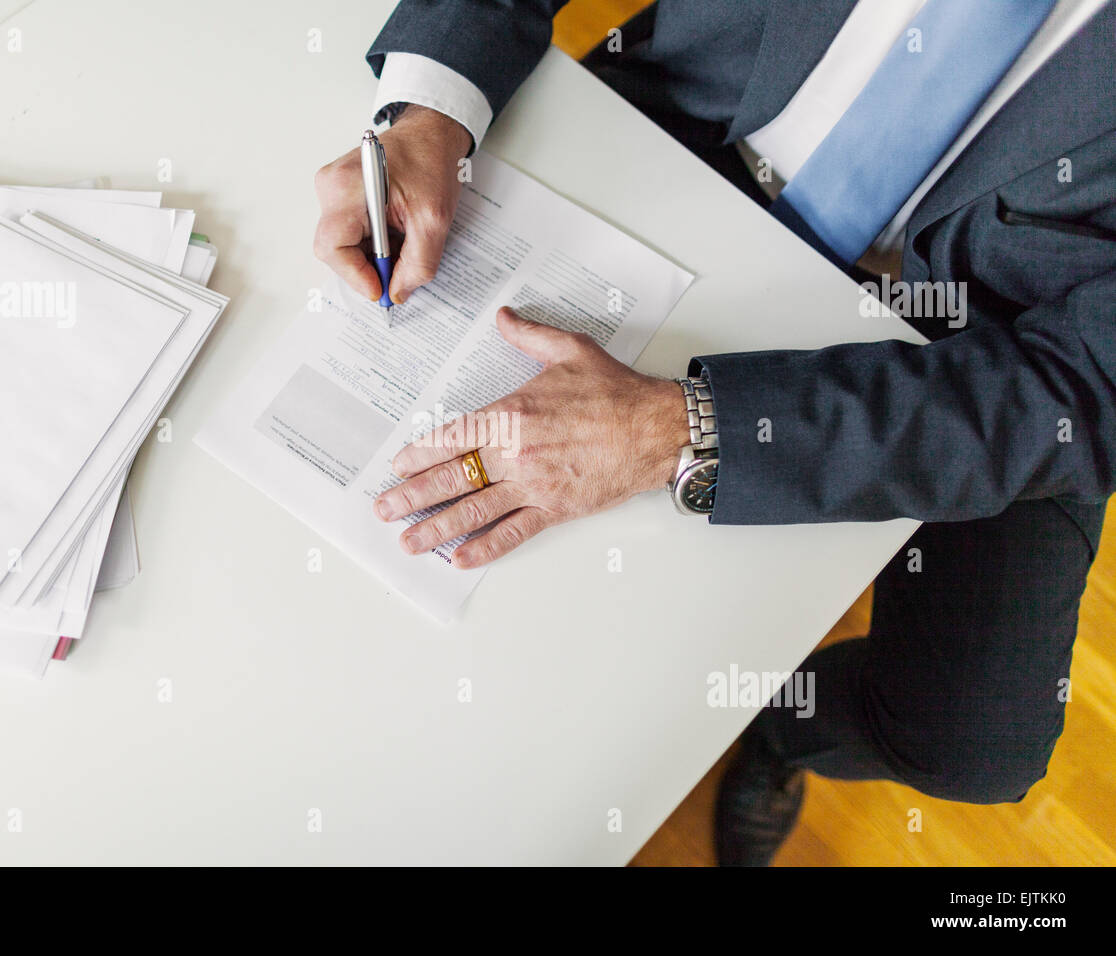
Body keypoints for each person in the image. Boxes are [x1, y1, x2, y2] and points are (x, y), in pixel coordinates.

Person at [311, 0, 1116, 864]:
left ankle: (775, 728)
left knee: (969, 747)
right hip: (694, 137)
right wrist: (430, 101)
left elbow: (1089, 386)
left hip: (996, 346)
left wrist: (686, 428)